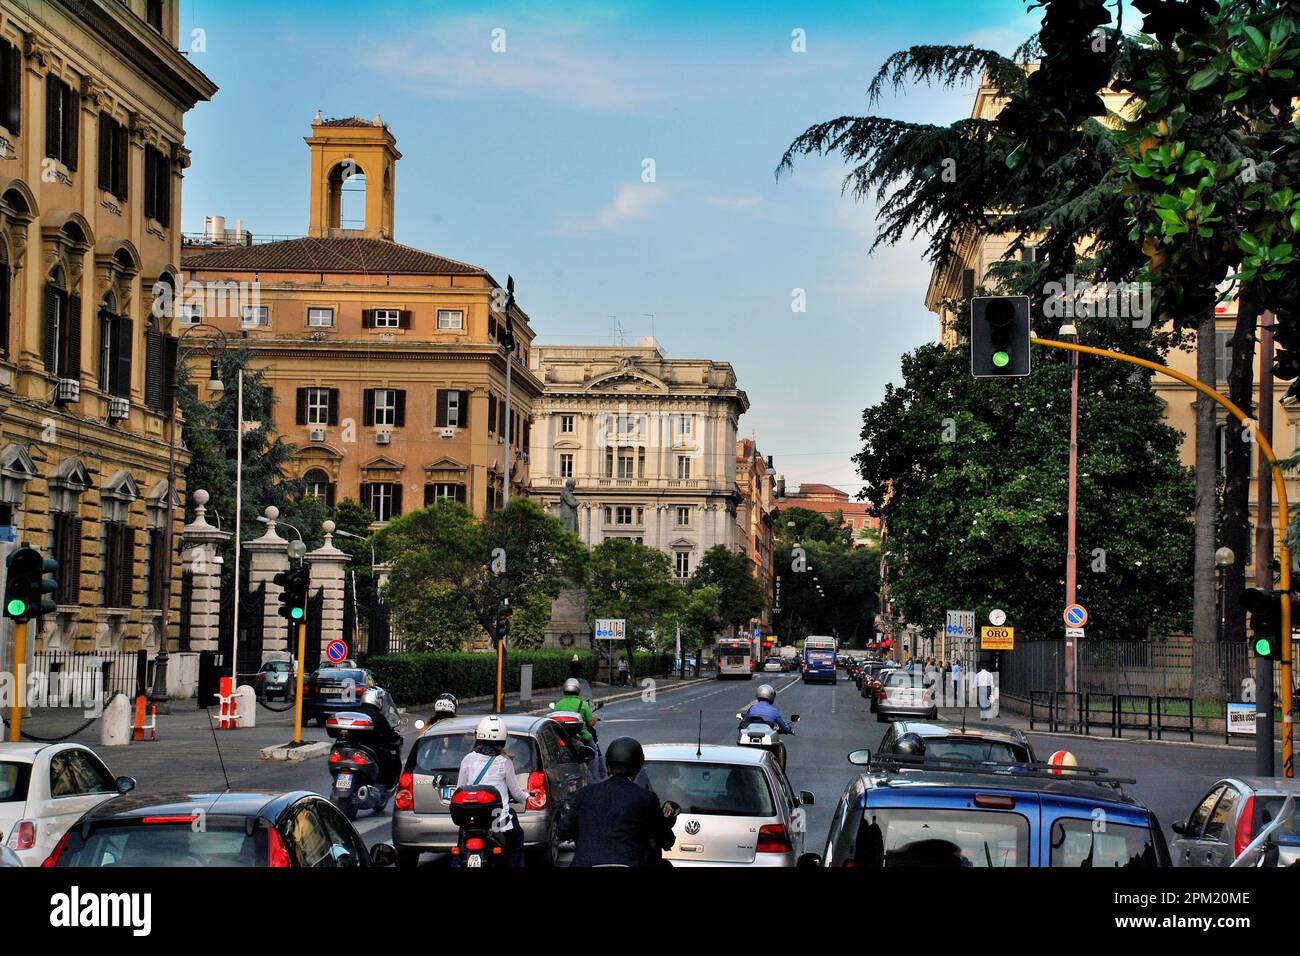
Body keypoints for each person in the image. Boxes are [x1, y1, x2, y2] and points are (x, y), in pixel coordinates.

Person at [558, 736, 676, 867]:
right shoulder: (646, 798)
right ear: (638, 767)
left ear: (608, 766)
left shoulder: (585, 793)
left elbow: (563, 830)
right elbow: (665, 839)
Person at [456, 715, 528, 867]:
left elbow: (459, 789)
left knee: (460, 847)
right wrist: (527, 796)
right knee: (517, 839)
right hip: (496, 820)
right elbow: (516, 794)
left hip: (470, 819)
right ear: (502, 739)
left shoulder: (468, 759)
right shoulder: (504, 762)